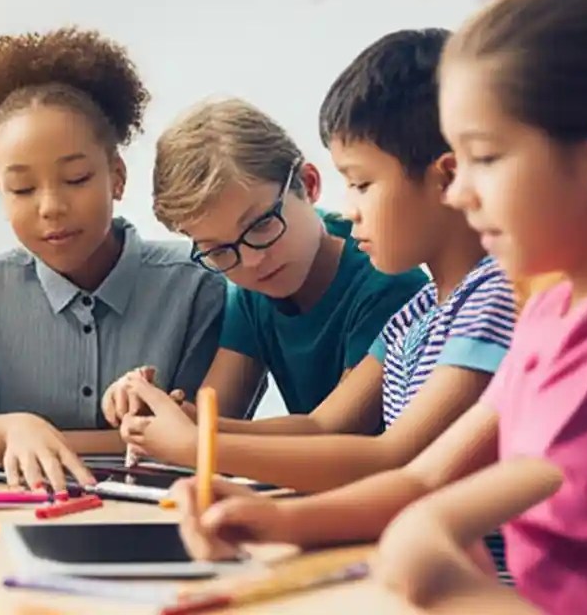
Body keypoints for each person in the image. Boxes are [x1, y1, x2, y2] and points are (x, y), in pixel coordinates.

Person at [173, 0, 587, 615]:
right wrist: (278, 520)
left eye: (486, 159)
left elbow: (423, 494)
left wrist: (441, 573)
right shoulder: (548, 317)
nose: (459, 192)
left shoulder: (586, 339)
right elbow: (423, 479)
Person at [110, 30, 517, 499]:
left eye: (361, 184)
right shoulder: (419, 313)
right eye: (220, 250)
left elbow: (394, 459)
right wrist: (182, 422)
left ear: (446, 177)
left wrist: (199, 445)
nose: (349, 210)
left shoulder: (491, 298)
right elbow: (323, 425)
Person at [0, 27, 224, 492]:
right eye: (22, 189)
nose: (51, 206)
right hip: (24, 512)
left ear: (117, 176)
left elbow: (194, 437)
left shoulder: (196, 284)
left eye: (75, 179)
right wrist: (14, 428)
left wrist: (42, 439)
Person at [119, 98, 429, 422]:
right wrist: (152, 408)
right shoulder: (251, 291)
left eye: (261, 224)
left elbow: (336, 429)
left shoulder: (387, 279)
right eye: (219, 251)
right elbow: (218, 412)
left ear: (308, 183)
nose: (252, 260)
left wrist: (190, 434)